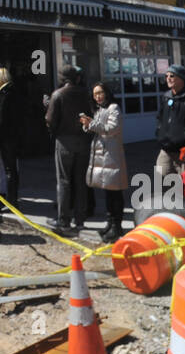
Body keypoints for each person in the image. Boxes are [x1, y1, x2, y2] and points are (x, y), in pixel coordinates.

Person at [45, 65, 92, 236]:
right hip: (83, 140)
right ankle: (80, 219)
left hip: (64, 141)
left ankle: (63, 220)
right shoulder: (85, 93)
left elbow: (50, 119)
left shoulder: (58, 95)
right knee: (80, 180)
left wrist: (53, 128)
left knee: (64, 181)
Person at [82, 81, 125, 242]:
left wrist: (91, 124)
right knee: (108, 190)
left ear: (106, 92)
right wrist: (88, 124)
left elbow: (112, 128)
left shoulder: (113, 108)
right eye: (95, 94)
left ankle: (117, 225)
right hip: (103, 155)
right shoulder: (100, 109)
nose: (98, 97)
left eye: (100, 93)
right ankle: (110, 223)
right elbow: (99, 127)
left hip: (112, 154)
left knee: (115, 191)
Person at [155, 65, 185, 200]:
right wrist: (159, 134)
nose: (168, 79)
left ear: (182, 79)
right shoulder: (166, 97)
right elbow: (159, 118)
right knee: (161, 180)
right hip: (166, 149)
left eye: (172, 76)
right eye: (166, 76)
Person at [0, 66, 21, 207]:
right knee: (12, 169)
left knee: (8, 170)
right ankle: (13, 199)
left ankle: (10, 202)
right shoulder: (14, 91)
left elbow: (0, 119)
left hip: (6, 137)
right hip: (14, 136)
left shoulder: (3, 93)